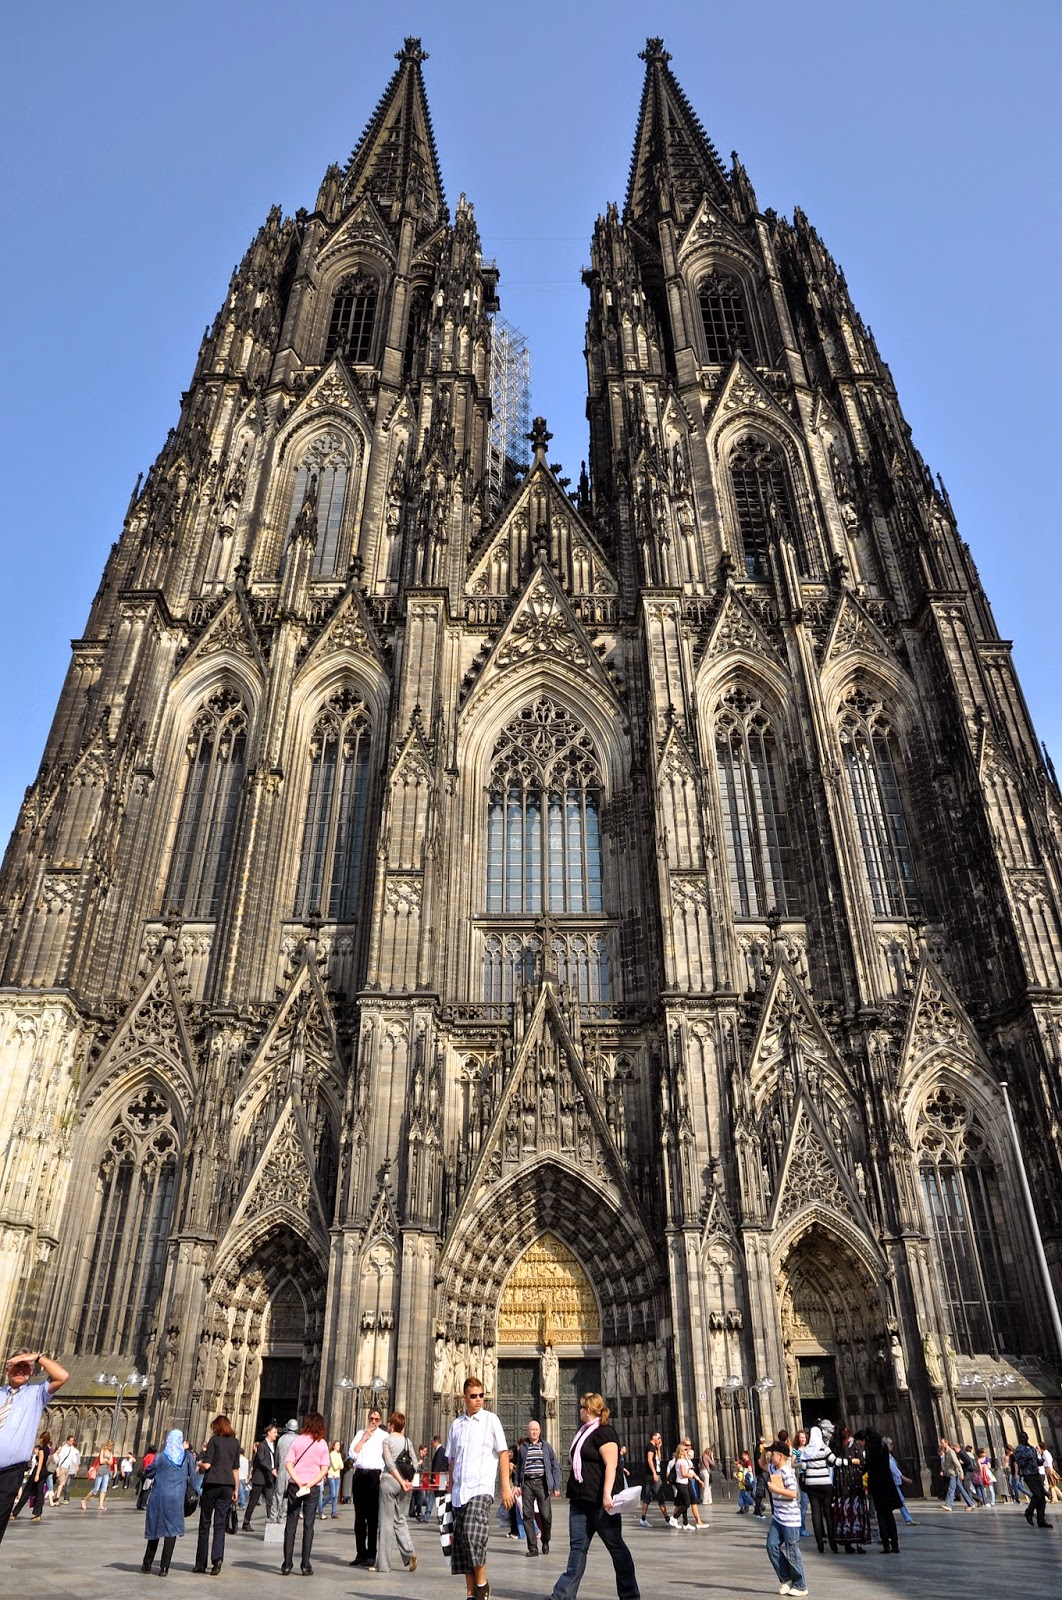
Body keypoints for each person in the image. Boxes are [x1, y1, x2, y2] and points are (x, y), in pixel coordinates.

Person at [547, 1391, 639, 1600]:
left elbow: (611, 1465)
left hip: (599, 1501)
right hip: (580, 1499)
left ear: (587, 1410)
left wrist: (607, 1493)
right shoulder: (583, 1432)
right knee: (578, 1547)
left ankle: (630, 1595)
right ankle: (562, 1595)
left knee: (615, 1546)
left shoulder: (604, 1432)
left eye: (581, 1407)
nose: (579, 1410)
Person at [444, 1373, 514, 1600]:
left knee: (474, 1537)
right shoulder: (456, 1425)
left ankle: (482, 1585)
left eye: (482, 1396)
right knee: (463, 1543)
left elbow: (503, 1452)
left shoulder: (491, 1420)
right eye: (474, 1396)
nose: (478, 1400)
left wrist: (505, 1486)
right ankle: (471, 1594)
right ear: (464, 1397)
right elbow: (452, 1458)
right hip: (459, 1492)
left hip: (481, 1489)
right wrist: (450, 1484)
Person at [0, 1351, 68, 1546]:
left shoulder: (36, 1394)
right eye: (16, 1366)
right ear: (7, 1369)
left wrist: (36, 1357)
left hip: (9, 1473)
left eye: (25, 1366)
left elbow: (62, 1376)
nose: (20, 1370)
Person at [281, 1411, 330, 1575]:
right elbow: (324, 1469)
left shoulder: (298, 1440)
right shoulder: (322, 1443)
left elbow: (288, 1464)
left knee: (291, 1524)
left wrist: (298, 1480)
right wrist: (310, 1483)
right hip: (312, 1487)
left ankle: (287, 1564)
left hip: (296, 1485)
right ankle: (305, 1565)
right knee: (309, 1525)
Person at [142, 1429, 196, 1575]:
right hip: (176, 1499)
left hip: (159, 1497)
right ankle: (164, 1568)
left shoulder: (161, 1457)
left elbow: (149, 1472)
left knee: (155, 1530)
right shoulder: (187, 1457)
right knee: (171, 1532)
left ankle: (147, 1563)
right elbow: (193, 1477)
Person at [195, 1414, 240, 1574]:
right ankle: (217, 1559)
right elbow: (235, 1469)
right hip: (227, 1486)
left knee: (205, 1524)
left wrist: (199, 1465)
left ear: (217, 1427)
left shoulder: (214, 1440)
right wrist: (236, 1489)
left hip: (212, 1484)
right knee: (220, 1524)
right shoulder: (235, 1443)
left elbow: (207, 1464)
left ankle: (201, 1564)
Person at [763, 1439, 808, 1597]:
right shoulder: (773, 1468)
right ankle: (786, 1578)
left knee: (792, 1551)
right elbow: (761, 1464)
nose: (770, 1457)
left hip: (790, 1518)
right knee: (771, 1546)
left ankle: (801, 1585)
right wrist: (763, 1450)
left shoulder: (786, 1472)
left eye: (772, 1454)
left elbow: (794, 1494)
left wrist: (775, 1489)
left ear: (780, 1456)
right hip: (778, 1517)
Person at [376, 1409, 418, 1574]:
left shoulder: (387, 1441)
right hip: (404, 1486)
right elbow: (414, 1463)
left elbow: (390, 1463)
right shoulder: (408, 1441)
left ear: (392, 1425)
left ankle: (384, 1565)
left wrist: (400, 1480)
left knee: (386, 1523)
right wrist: (407, 1481)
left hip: (389, 1483)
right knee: (400, 1519)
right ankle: (410, 1553)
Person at [516, 1416, 561, 1556]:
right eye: (532, 1430)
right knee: (527, 1516)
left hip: (542, 1483)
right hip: (528, 1483)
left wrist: (556, 1486)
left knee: (546, 1516)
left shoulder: (546, 1446)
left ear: (540, 1431)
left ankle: (545, 1541)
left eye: (536, 1430)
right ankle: (533, 1548)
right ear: (528, 1431)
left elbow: (555, 1466)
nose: (534, 1432)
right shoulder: (523, 1448)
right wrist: (517, 1484)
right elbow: (519, 1467)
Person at [348, 1404, 386, 1568]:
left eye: (377, 1419)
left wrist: (383, 1474)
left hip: (374, 1477)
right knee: (359, 1518)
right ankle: (360, 1553)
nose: (374, 1421)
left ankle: (371, 1554)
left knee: (372, 1518)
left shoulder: (385, 1436)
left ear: (381, 1420)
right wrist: (364, 1437)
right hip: (360, 1476)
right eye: (372, 1418)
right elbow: (352, 1453)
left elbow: (388, 1457)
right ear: (368, 1418)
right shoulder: (359, 1434)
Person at [855, 1426, 900, 1553]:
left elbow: (868, 1466)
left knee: (881, 1515)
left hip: (877, 1483)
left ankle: (886, 1545)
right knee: (889, 1515)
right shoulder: (883, 1446)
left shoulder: (869, 1448)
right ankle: (895, 1545)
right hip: (888, 1482)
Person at [799, 1424, 836, 1553]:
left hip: (811, 1485)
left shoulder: (806, 1450)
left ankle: (820, 1544)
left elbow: (803, 1469)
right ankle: (833, 1543)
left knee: (816, 1514)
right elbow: (833, 1461)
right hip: (825, 1484)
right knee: (828, 1514)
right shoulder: (824, 1448)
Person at [242, 1423, 278, 1530]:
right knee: (253, 1501)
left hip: (269, 1478)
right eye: (275, 1432)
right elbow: (262, 1461)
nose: (277, 1434)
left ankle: (271, 1523)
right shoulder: (262, 1445)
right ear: (269, 1433)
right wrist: (272, 1470)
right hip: (260, 1477)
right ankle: (246, 1522)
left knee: (270, 1501)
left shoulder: (274, 1446)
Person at [1014, 1432, 1051, 1528]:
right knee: (1037, 1495)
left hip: (1036, 1473)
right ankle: (1029, 1512)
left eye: (1025, 1437)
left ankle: (1041, 1520)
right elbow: (1020, 1463)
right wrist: (1026, 1459)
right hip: (1028, 1474)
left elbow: (1036, 1461)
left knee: (1042, 1498)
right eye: (1021, 1437)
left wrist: (1042, 1460)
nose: (1023, 1439)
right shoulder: (1019, 1449)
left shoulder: (1031, 1448)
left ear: (1027, 1437)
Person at [12, 1430, 50, 1521]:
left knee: (27, 1492)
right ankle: (38, 1513)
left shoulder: (41, 1450)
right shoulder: (47, 1449)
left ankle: (15, 1512)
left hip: (38, 1471)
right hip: (44, 1471)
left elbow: (40, 1462)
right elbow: (45, 1462)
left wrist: (37, 1474)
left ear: (42, 1439)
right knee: (40, 1493)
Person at [671, 1439, 707, 1528]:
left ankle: (686, 1523)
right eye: (686, 1446)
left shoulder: (686, 1457)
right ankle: (675, 1517)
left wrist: (698, 1480)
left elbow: (690, 1470)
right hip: (683, 1481)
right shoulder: (681, 1459)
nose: (689, 1448)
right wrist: (689, 1474)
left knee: (685, 1501)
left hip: (686, 1481)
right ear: (682, 1447)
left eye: (690, 1445)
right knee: (686, 1503)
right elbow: (684, 1472)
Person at [637, 1432, 669, 1528]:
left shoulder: (654, 1447)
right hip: (653, 1475)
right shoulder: (650, 1446)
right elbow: (649, 1459)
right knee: (660, 1496)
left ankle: (643, 1518)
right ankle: (667, 1519)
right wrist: (654, 1473)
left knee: (647, 1497)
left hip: (652, 1475)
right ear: (653, 1437)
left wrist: (659, 1448)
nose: (660, 1439)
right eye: (658, 1437)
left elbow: (658, 1459)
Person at [883, 1437, 915, 1525]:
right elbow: (893, 1468)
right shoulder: (886, 1457)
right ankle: (907, 1519)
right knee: (899, 1500)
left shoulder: (889, 1455)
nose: (892, 1446)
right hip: (892, 1482)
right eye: (890, 1444)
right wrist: (903, 1477)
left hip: (894, 1482)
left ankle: (907, 1519)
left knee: (899, 1500)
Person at [273, 1418, 300, 1520]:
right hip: (293, 1471)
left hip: (281, 1470)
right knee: (289, 1495)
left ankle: (274, 1515)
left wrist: (276, 1467)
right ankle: (283, 1516)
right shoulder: (298, 1439)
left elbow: (277, 1456)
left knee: (278, 1493)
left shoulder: (281, 1439)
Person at [939, 1436, 976, 1509]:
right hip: (950, 1473)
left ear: (946, 1443)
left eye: (942, 1443)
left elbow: (957, 1463)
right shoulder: (946, 1452)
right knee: (961, 1489)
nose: (941, 1444)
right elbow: (947, 1464)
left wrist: (961, 1473)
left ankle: (948, 1505)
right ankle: (971, 1504)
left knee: (951, 1488)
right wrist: (945, 1471)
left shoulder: (950, 1451)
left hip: (954, 1473)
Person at [81, 1438, 116, 1512]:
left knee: (104, 1488)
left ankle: (101, 1505)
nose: (111, 1447)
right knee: (95, 1489)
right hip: (100, 1471)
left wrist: (106, 1461)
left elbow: (111, 1463)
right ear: (107, 1445)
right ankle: (84, 1500)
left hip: (107, 1471)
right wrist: (107, 1461)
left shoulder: (111, 1453)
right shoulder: (102, 1451)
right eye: (110, 1445)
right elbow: (101, 1461)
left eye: (112, 1446)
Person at [51, 1435, 80, 1505]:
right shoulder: (63, 1448)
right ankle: (57, 1498)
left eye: (73, 1441)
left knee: (62, 1483)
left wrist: (76, 1465)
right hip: (62, 1467)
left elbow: (73, 1458)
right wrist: (58, 1467)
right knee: (62, 1483)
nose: (72, 1442)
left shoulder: (72, 1449)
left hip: (68, 1468)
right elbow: (59, 1458)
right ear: (67, 1441)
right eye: (71, 1441)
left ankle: (55, 1496)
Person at [320, 1439, 343, 1519]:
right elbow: (336, 1466)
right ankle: (321, 1506)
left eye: (339, 1445)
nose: (338, 1446)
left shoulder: (339, 1454)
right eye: (337, 1445)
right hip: (331, 1475)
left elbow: (342, 1466)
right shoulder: (332, 1454)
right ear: (333, 1446)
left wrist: (339, 1465)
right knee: (332, 1494)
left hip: (337, 1476)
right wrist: (338, 1466)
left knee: (336, 1496)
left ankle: (334, 1512)